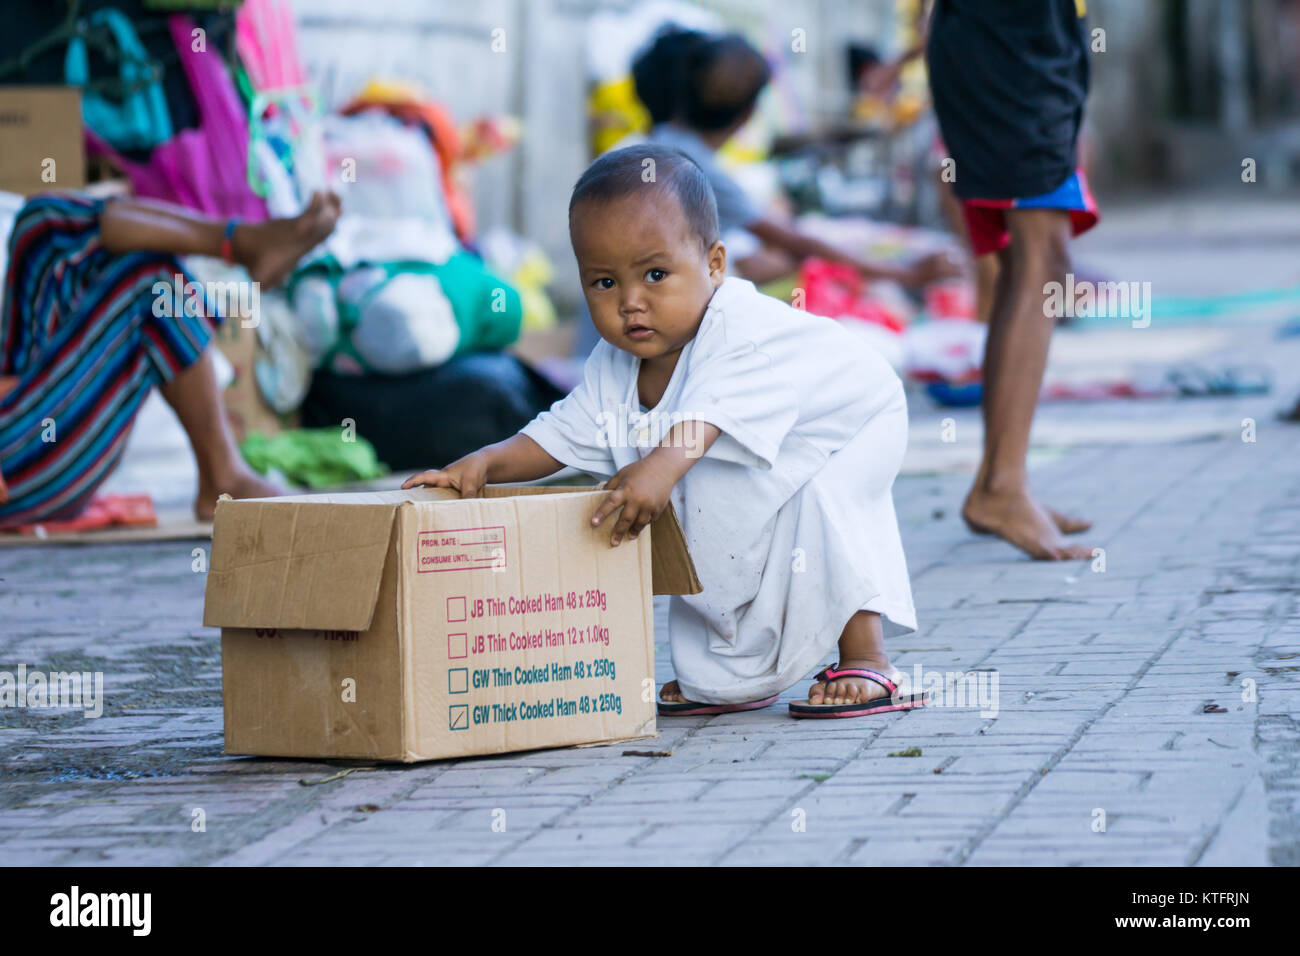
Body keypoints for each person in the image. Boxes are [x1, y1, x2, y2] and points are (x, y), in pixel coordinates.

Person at [403, 145, 926, 718]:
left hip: (851, 421)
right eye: (603, 282)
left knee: (824, 506)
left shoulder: (739, 329)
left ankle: (869, 657)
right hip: (751, 434)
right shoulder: (614, 363)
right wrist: (486, 463)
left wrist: (656, 468)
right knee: (713, 516)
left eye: (656, 274)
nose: (631, 302)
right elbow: (564, 430)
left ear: (715, 264)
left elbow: (712, 412)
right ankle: (734, 675)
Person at [0, 191, 339, 526]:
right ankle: (240, 243)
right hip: (17, 462)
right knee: (153, 279)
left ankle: (240, 240)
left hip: (20, 406)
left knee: (42, 226)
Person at [926, 0, 1100, 560]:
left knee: (1037, 260)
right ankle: (1001, 485)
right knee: (1041, 260)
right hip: (1010, 45)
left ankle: (1001, 480)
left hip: (1029, 41)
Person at [632, 28, 958, 289]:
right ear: (748, 114)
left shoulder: (659, 145)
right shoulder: (690, 167)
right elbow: (796, 242)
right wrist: (905, 275)